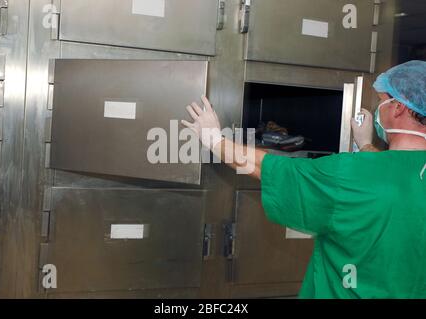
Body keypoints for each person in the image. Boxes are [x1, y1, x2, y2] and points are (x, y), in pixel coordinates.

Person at [181, 60, 426, 298]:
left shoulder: (350, 174)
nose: (377, 110)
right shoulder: (373, 169)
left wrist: (214, 140)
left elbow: (273, 169)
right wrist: (365, 145)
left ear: (398, 108)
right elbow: (396, 173)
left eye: (383, 102)